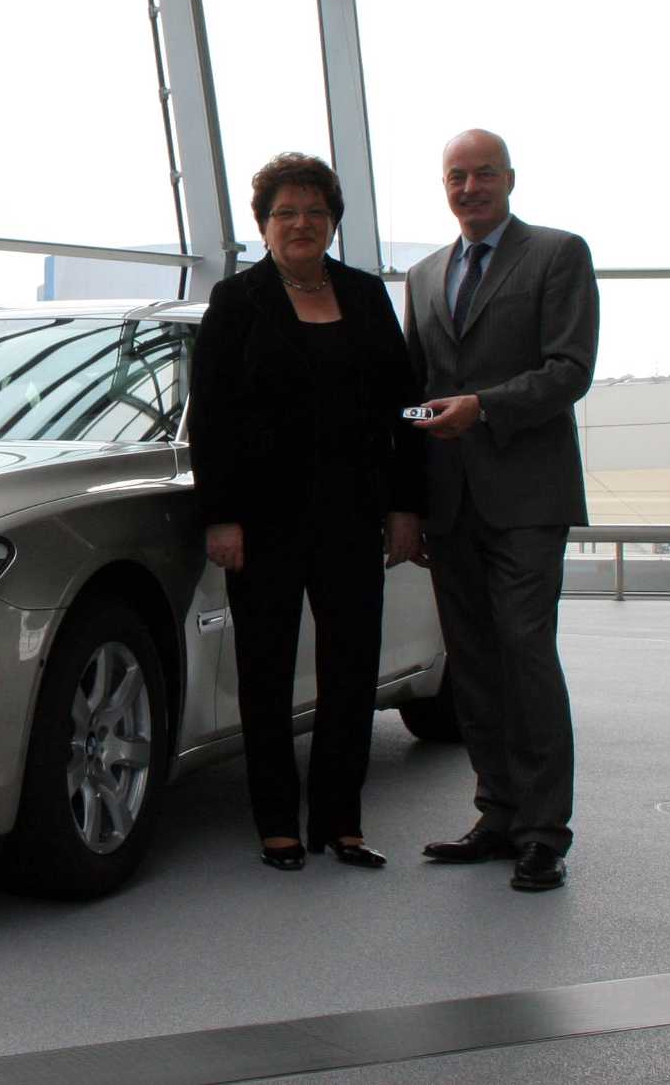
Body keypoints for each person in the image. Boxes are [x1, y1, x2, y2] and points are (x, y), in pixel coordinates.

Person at [190, 152, 425, 872]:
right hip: (262, 521)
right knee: (264, 673)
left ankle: (341, 821)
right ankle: (276, 824)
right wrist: (221, 516)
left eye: (314, 213)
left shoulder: (365, 295)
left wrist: (407, 506)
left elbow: (405, 406)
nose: (301, 224)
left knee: (352, 671)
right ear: (263, 225)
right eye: (286, 213)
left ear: (332, 223)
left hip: (354, 515)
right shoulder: (238, 301)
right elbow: (214, 416)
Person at [401, 129, 597, 893]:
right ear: (443, 186)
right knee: (473, 663)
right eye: (457, 175)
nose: (470, 186)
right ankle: (498, 815)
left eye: (484, 174)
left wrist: (483, 407)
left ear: (510, 179)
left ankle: (546, 831)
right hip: (451, 504)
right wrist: (408, 503)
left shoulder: (556, 254)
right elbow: (414, 397)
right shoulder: (422, 277)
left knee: (525, 654)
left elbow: (570, 370)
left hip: (526, 498)